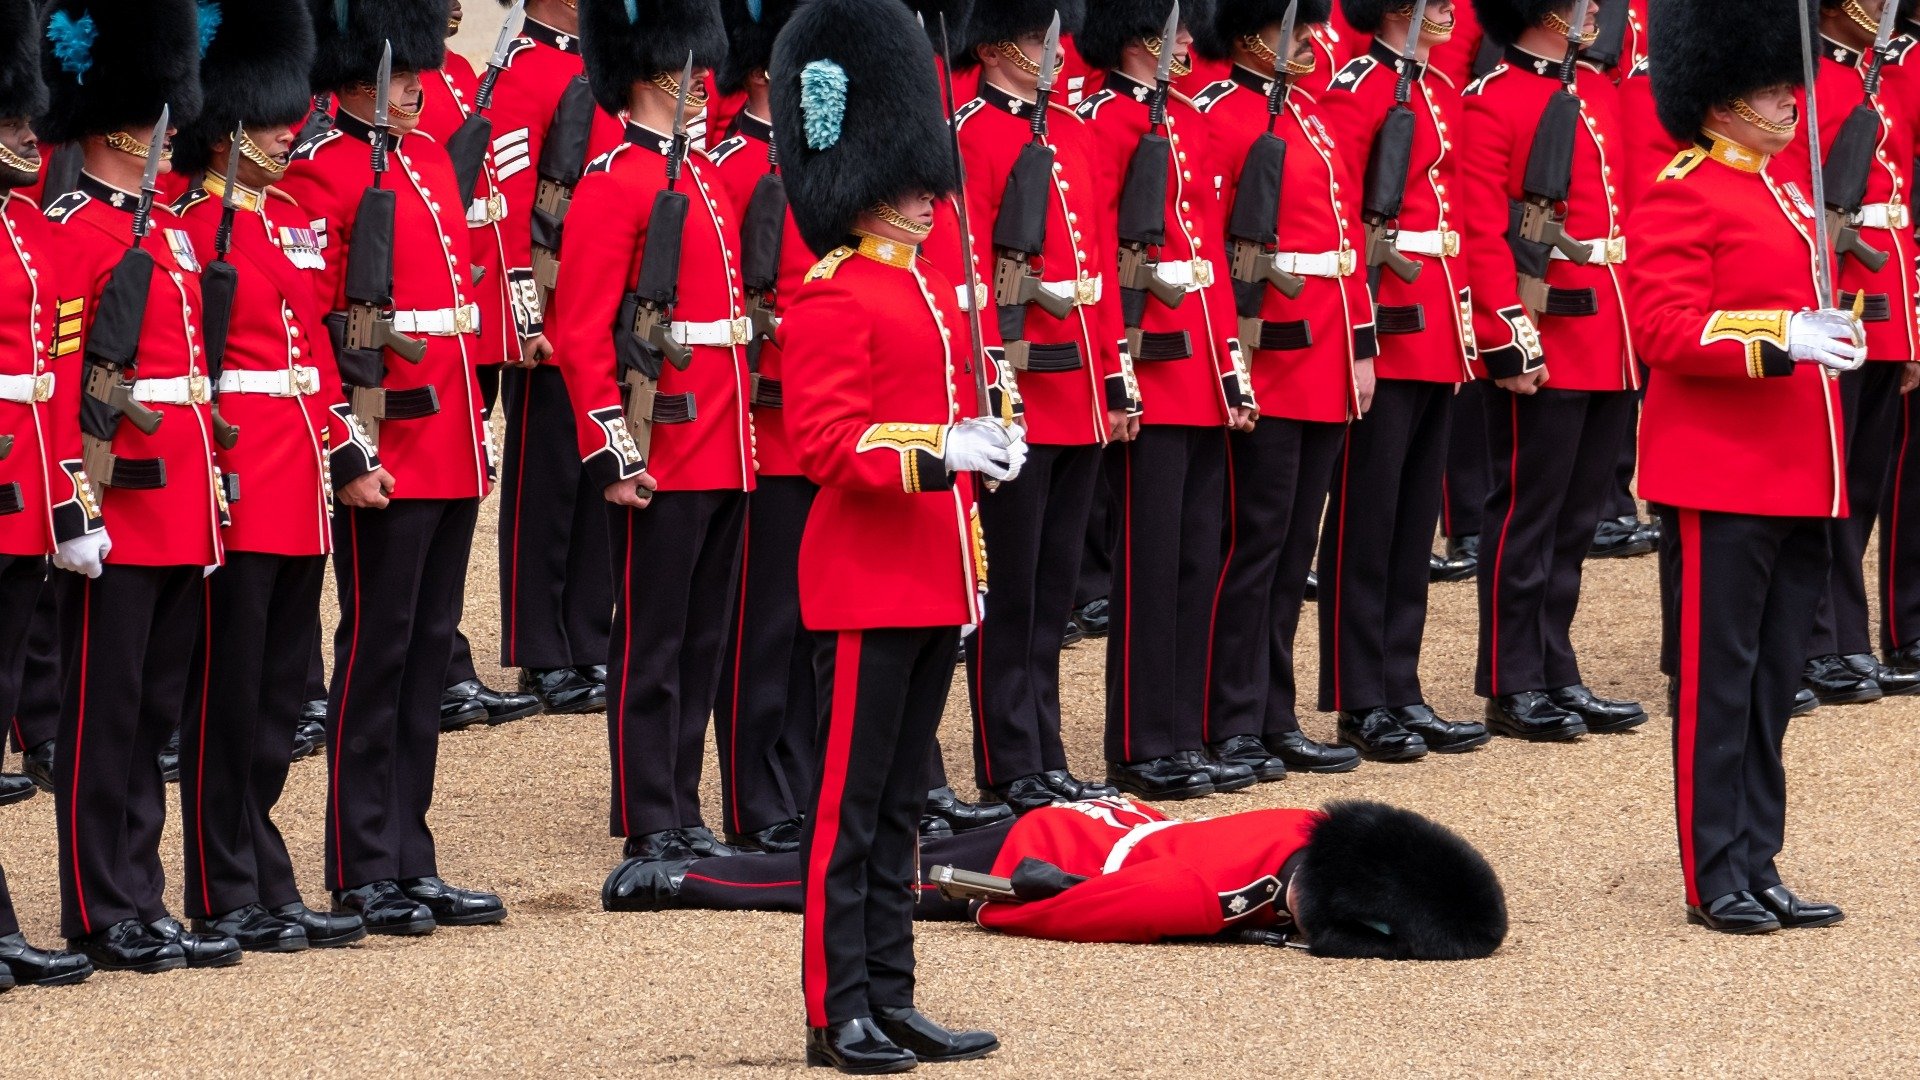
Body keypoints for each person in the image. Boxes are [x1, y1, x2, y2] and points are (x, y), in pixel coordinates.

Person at [767, 0, 1025, 1065]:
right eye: (908, 181)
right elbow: (828, 446)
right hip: (868, 583)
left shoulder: (915, 290)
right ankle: (838, 1013)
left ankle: (894, 991)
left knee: (902, 809)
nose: (929, 199)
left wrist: (978, 448)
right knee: (848, 812)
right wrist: (941, 451)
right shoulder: (832, 296)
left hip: (929, 576)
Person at [1630, 0, 1857, 934]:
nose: (1787, 98)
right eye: (1768, 86)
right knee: (1718, 682)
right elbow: (1663, 329)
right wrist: (1779, 336)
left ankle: (1758, 857)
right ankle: (1711, 871)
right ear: (1718, 99)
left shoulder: (1782, 188)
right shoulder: (1685, 188)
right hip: (1719, 476)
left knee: (1771, 683)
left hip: (1797, 471)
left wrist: (1825, 332)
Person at [280, 0, 505, 936]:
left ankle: (411, 851)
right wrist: (349, 448)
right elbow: (314, 325)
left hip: (446, 441)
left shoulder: (419, 160)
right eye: (404, 72)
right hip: (389, 447)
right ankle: (362, 862)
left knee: (424, 656)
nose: (421, 88)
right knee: (375, 656)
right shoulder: (322, 171)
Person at [37, 0, 239, 972]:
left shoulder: (176, 234)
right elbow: (69, 388)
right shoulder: (70, 233)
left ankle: (142, 890)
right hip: (119, 504)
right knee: (104, 710)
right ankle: (96, 902)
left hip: (180, 502)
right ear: (126, 125)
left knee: (154, 711)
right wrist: (76, 504)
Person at [168, 0, 369, 953]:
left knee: (284, 692)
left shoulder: (289, 218)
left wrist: (346, 451)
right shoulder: (186, 224)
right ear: (224, 122)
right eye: (268, 118)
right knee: (230, 688)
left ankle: (262, 865)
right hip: (238, 478)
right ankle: (219, 882)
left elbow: (314, 354)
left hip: (299, 479)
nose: (289, 132)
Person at [553, 0, 755, 882]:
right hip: (661, 442)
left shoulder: (699, 178)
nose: (705, 90)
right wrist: (612, 448)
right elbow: (582, 327)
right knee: (654, 636)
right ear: (646, 77)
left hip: (721, 435)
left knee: (703, 635)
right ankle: (649, 813)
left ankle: (686, 800)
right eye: (687, 75)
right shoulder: (614, 181)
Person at [604, 796, 1507, 960]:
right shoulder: (1214, 901)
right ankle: (676, 879)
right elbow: (1076, 912)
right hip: (1044, 853)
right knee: (864, 878)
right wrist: (1004, 908)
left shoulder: (1305, 838)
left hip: (1099, 828)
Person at [1076, 0, 1260, 800]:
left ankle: (1183, 730)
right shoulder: (1107, 121)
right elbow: (1111, 263)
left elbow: (1208, 260)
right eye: (1176, 30)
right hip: (1150, 369)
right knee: (1148, 567)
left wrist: (1232, 371)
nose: (1189, 43)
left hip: (1198, 372)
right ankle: (1139, 740)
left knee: (1194, 557)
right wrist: (1118, 374)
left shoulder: (1185, 118)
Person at [951, 0, 1132, 811]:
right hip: (1025, 390)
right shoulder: (972, 134)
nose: (1052, 50)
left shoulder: (1075, 129)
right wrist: (997, 390)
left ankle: (1044, 749)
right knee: (1015, 589)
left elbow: (1096, 262)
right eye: (1035, 38)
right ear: (992, 47)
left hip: (1081, 389)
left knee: (1054, 591)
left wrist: (1116, 376)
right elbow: (974, 280)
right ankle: (1009, 757)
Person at [1459, 0, 1646, 740]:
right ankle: (1512, 679)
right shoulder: (1494, 99)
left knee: (1576, 516)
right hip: (1547, 329)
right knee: (1528, 511)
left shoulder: (1597, 91)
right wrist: (1506, 332)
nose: (1592, 10)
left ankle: (1556, 665)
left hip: (1608, 325)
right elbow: (1481, 226)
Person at [1191, 0, 1369, 778]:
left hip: (1325, 352)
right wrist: (1234, 363)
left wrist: (1361, 346)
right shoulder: (1221, 115)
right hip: (1270, 356)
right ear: (1245, 35)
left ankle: (1275, 710)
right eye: (1286, 28)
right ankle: (1230, 716)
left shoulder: (1311, 112)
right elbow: (1216, 250)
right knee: (1254, 544)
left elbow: (1349, 235)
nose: (1304, 42)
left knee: (1295, 544)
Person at [1314, 0, 1490, 761]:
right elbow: (1342, 224)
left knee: (1414, 520)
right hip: (1386, 323)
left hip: (1434, 323)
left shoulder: (1437, 88)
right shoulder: (1356, 90)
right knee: (1367, 520)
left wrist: (1469, 329)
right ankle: (1361, 698)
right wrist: (1359, 338)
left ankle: (1401, 683)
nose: (1446, 11)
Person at [481, 0, 630, 720]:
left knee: (605, 463)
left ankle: (588, 635)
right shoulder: (528, 70)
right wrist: (526, 319)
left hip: (605, 304)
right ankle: (543, 648)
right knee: (547, 482)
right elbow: (505, 201)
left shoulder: (602, 65)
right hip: (553, 301)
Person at [705, 0, 817, 853]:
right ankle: (755, 794)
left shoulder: (811, 159)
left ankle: (806, 779)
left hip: (822, 418)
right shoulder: (735, 164)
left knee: (814, 616)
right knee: (765, 621)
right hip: (769, 420)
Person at [1786, 0, 1920, 706]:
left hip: (1884, 284)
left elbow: (1894, 200)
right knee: (1828, 481)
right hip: (1835, 288)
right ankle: (1821, 639)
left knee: (1863, 480)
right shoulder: (1806, 81)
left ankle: (1848, 636)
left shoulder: (1879, 73)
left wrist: (1909, 333)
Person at [0, 0, 94, 989]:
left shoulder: (27, 229)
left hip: (22, 496)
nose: (31, 135)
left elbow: (51, 381)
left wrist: (67, 495)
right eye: (10, 121)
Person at [421, 0, 545, 732]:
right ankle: (437, 664)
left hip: (479, 310)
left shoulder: (463, 72)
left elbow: (492, 209)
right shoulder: (392, 89)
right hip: (433, 322)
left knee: (465, 494)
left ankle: (448, 659)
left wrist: (517, 314)